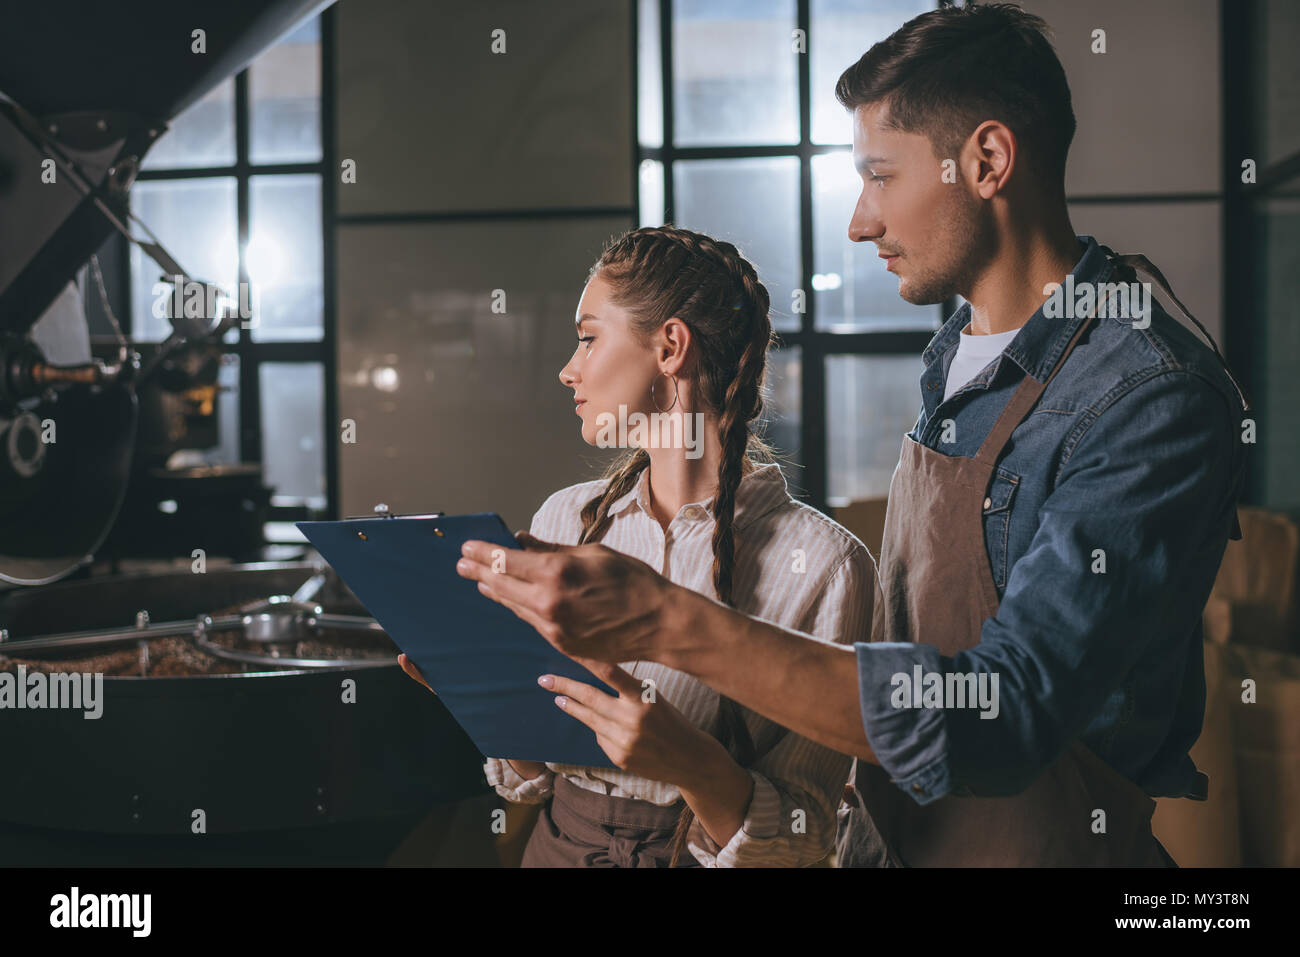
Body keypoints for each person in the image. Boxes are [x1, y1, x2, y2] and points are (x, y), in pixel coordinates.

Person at [455, 2, 1248, 867]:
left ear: (986, 160)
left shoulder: (1149, 395)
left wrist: (664, 621)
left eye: (880, 176)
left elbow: (1006, 713)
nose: (859, 221)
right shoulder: (955, 357)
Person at [403, 225, 875, 867]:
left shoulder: (827, 565)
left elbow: (807, 837)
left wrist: (689, 763)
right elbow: (534, 775)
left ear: (670, 346)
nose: (568, 370)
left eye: (589, 337)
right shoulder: (564, 519)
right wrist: (483, 698)